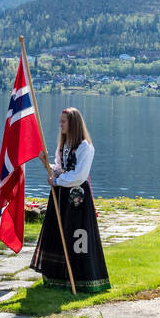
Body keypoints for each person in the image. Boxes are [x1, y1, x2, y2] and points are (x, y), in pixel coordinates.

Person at [31, 107, 110, 291]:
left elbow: (79, 175)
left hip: (77, 198)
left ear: (73, 123)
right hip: (60, 194)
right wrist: (46, 164)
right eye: (60, 122)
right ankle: (58, 277)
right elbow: (60, 168)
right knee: (60, 232)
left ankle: (81, 278)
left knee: (77, 235)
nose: (60, 125)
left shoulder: (85, 146)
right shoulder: (64, 145)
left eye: (63, 122)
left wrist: (57, 180)